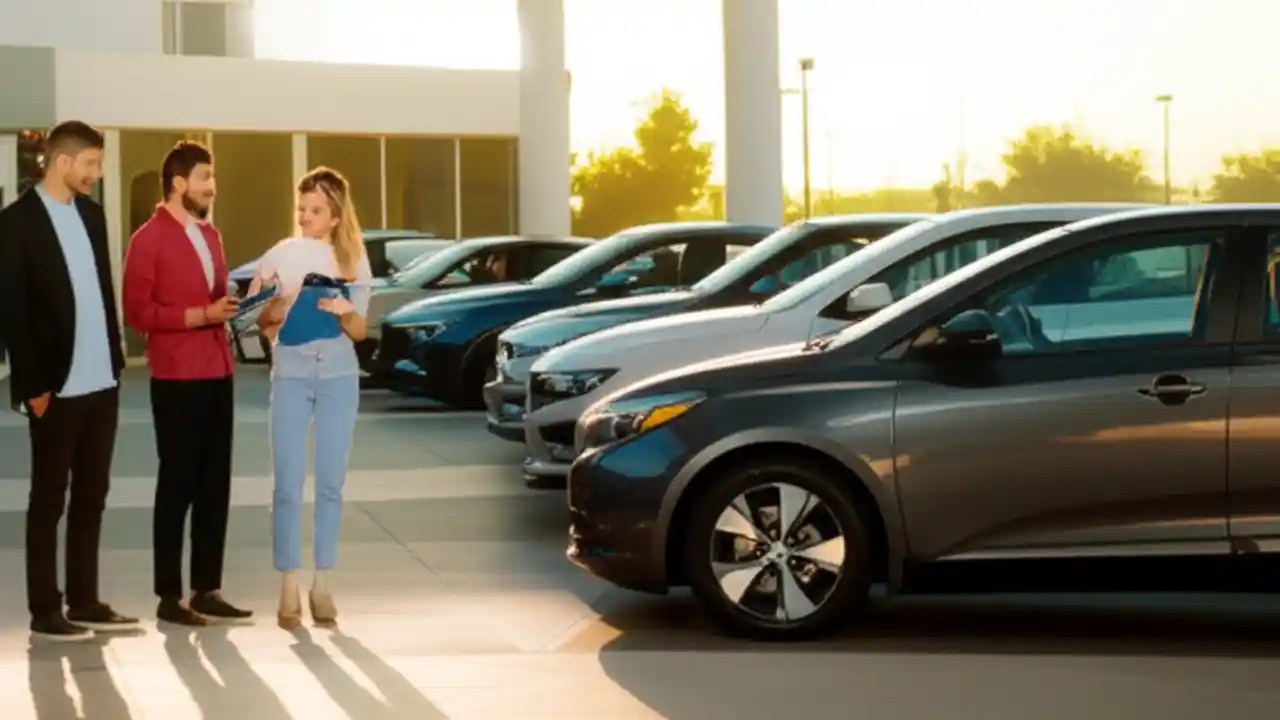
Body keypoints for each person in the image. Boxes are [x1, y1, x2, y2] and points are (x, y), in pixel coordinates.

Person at [0, 120, 138, 640]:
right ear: (63, 161)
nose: (95, 174)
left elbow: (101, 293)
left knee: (92, 497)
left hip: (101, 382)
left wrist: (115, 359)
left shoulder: (93, 216)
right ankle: (45, 609)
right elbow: (12, 312)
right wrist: (31, 389)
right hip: (53, 389)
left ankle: (85, 601)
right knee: (48, 500)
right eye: (91, 164)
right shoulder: (16, 224)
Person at [122, 141, 251, 626]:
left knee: (214, 484)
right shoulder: (147, 240)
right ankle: (168, 596)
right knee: (176, 485)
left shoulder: (211, 235)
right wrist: (200, 315)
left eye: (212, 177)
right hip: (176, 377)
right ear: (179, 184)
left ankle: (206, 589)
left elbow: (216, 297)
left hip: (219, 372)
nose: (211, 186)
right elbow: (138, 313)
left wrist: (241, 303)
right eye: (204, 177)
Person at [249, 167, 371, 629]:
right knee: (287, 481)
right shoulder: (283, 254)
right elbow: (259, 320)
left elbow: (361, 330)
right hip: (291, 373)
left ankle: (323, 583)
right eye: (301, 209)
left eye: (315, 210)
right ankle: (287, 583)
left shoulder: (355, 259)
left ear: (336, 216)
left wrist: (344, 310)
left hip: (339, 374)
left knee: (330, 483)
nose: (305, 217)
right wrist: (276, 306)